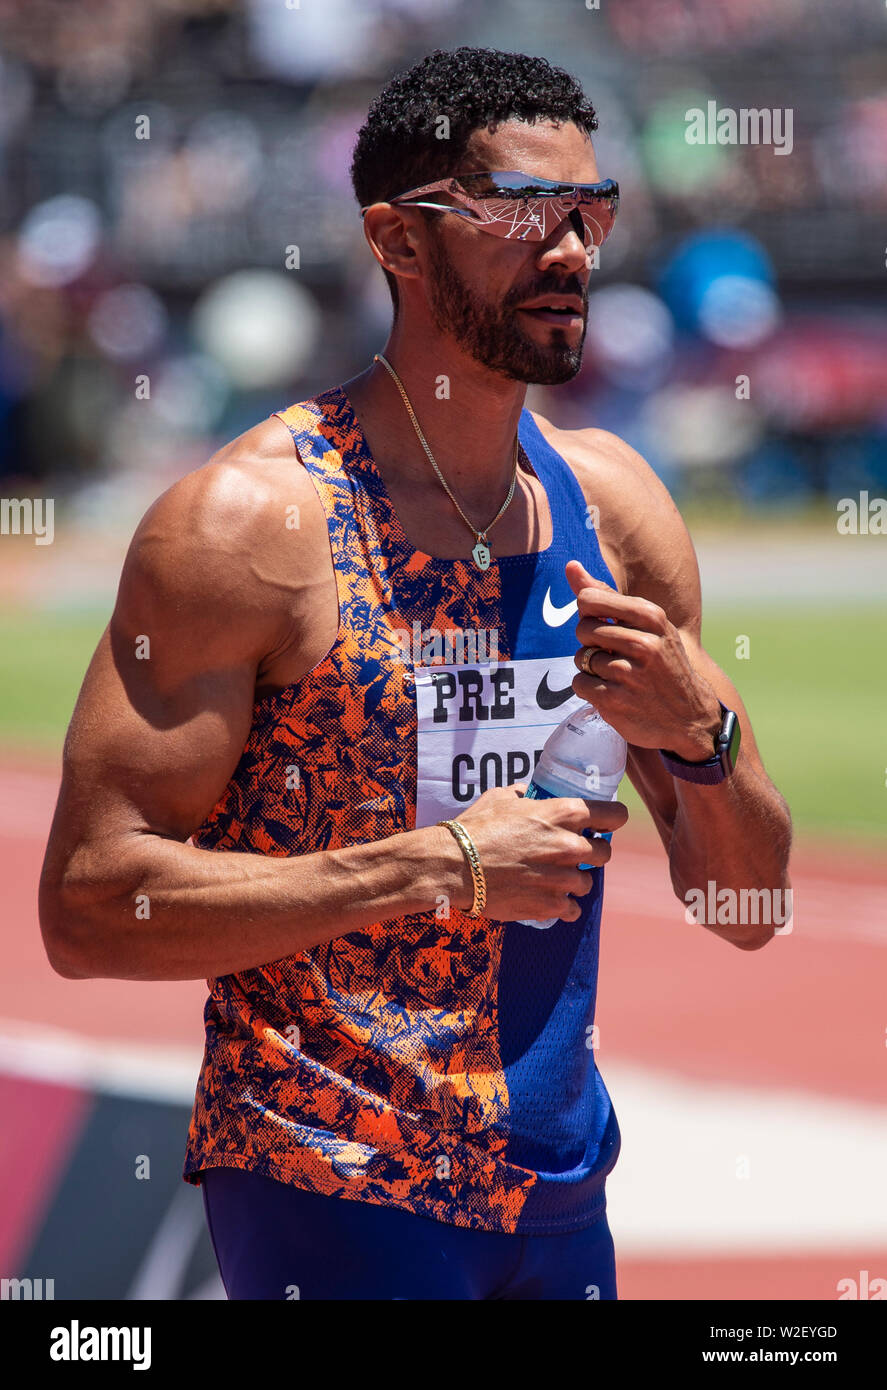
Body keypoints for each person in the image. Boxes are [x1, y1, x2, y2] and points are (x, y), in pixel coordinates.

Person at [39, 48, 791, 1300]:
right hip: (329, 1181)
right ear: (396, 240)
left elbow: (748, 910)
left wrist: (700, 739)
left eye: (586, 213)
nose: (565, 251)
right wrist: (427, 871)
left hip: (559, 1192)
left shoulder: (614, 515)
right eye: (512, 209)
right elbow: (89, 903)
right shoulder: (243, 527)